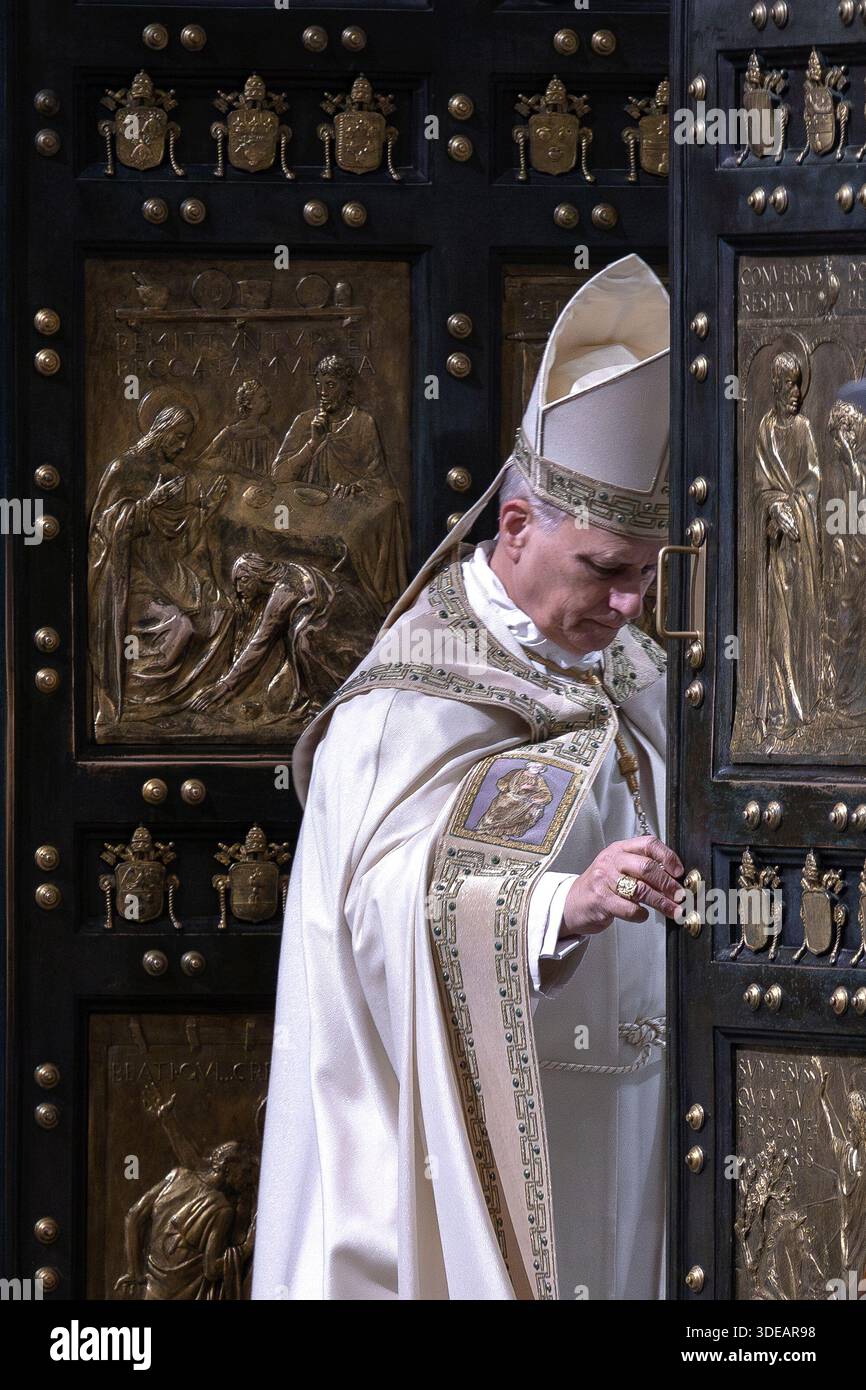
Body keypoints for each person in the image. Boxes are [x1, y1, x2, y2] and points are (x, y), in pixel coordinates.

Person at [252, 255, 681, 1301]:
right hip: (463, 1150)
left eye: (643, 572)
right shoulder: (410, 695)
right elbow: (373, 915)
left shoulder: (631, 668)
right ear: (519, 526)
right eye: (605, 570)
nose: (630, 604)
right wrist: (550, 906)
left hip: (637, 1127)